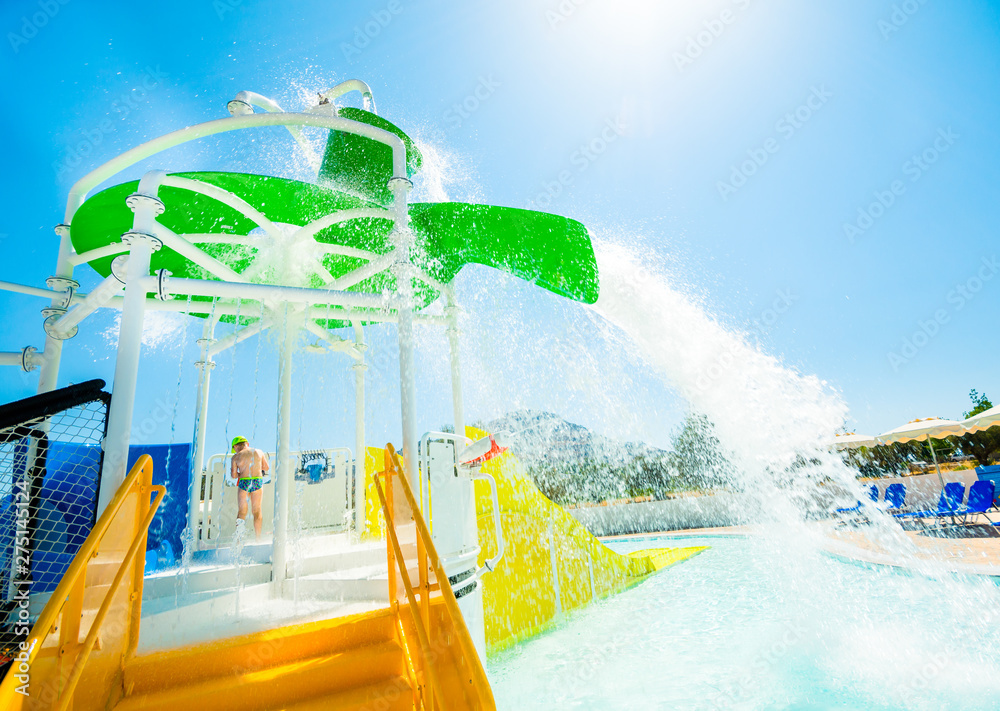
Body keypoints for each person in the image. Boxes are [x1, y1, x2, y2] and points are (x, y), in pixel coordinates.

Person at [230, 436, 269, 540]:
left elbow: (233, 475)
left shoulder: (235, 457)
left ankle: (238, 540)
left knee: (242, 512)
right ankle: (258, 538)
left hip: (244, 482)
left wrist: (242, 473)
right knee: (257, 510)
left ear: (235, 446)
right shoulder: (259, 452)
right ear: (246, 444)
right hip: (257, 481)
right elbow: (266, 467)